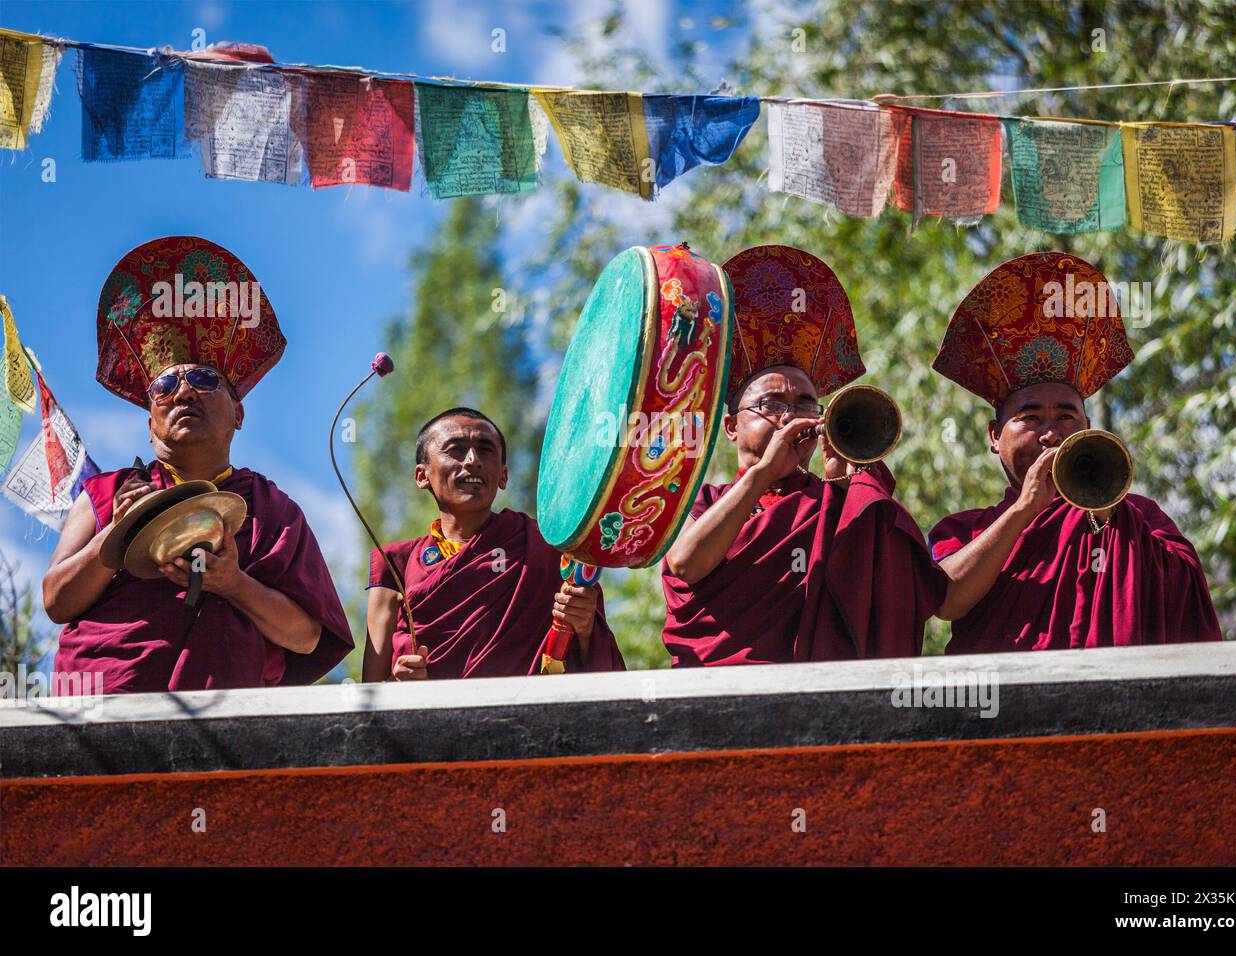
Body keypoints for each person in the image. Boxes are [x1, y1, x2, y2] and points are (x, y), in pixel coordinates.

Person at [44, 236, 353, 693]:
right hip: (104, 712)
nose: (184, 392)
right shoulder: (107, 495)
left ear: (239, 413)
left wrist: (232, 583)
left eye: (205, 379)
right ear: (150, 428)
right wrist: (117, 533)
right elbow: (56, 601)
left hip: (224, 727)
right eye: (164, 386)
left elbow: (306, 638)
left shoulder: (271, 509)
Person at [661, 245, 947, 666]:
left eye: (806, 404)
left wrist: (841, 491)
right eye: (772, 405)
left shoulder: (838, 502)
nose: (790, 417)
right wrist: (761, 475)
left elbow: (890, 603)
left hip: (826, 708)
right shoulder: (701, 500)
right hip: (716, 701)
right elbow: (685, 564)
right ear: (731, 427)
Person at [928, 251, 1222, 652]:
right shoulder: (965, 530)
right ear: (995, 436)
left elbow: (1181, 596)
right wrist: (1024, 510)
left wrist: (1107, 513)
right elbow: (948, 599)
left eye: (1066, 417)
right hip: (1003, 708)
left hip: (1113, 709)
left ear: (1086, 429)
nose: (1050, 434)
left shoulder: (1136, 516)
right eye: (1030, 418)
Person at [363, 407, 624, 680]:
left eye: (485, 450)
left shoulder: (547, 548)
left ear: (503, 475)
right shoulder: (395, 563)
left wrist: (584, 625)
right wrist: (399, 684)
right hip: (432, 719)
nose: (473, 460)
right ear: (422, 475)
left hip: (528, 716)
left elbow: (602, 670)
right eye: (456, 449)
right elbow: (370, 692)